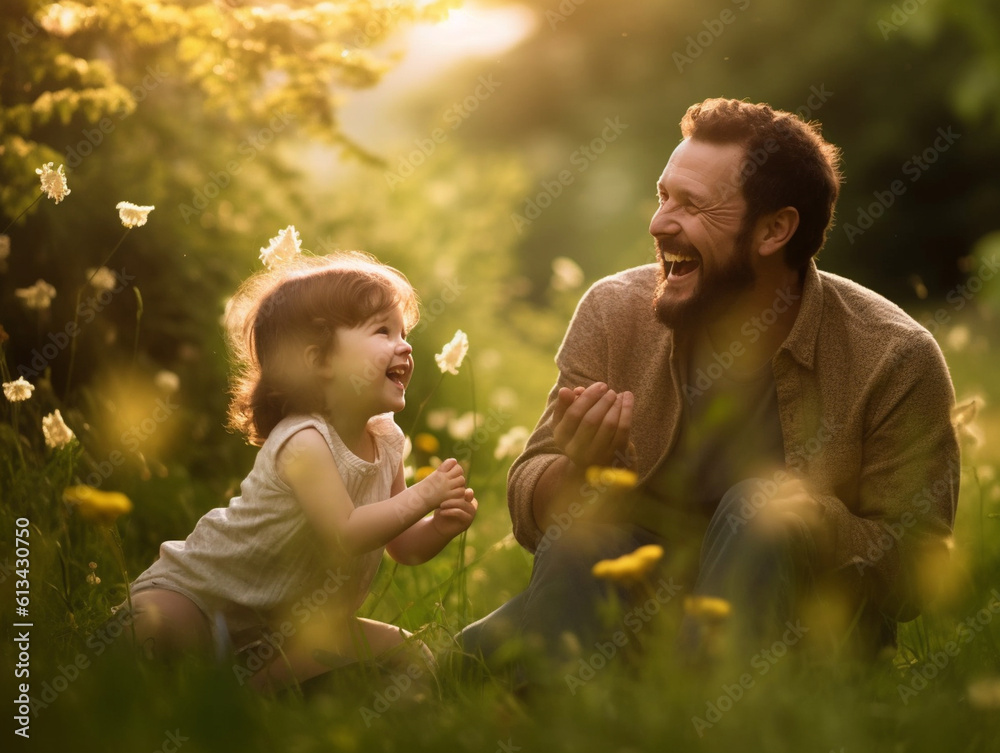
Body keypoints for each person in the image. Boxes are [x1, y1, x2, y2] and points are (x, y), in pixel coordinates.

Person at [461, 98, 959, 670]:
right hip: (633, 609)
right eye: (663, 197)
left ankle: (711, 703)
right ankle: (562, 704)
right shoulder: (614, 312)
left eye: (693, 205)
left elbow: (918, 570)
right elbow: (529, 502)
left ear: (774, 230)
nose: (659, 223)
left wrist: (802, 522)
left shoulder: (894, 356)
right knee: (454, 671)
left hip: (800, 636)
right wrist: (579, 472)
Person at [126, 251, 478, 690]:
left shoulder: (387, 439)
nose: (405, 345)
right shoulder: (304, 441)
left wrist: (439, 526)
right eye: (382, 331)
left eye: (403, 332)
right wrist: (423, 495)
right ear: (319, 361)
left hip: (289, 631)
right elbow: (347, 533)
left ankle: (246, 689)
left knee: (411, 654)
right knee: (160, 630)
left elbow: (402, 545)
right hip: (201, 597)